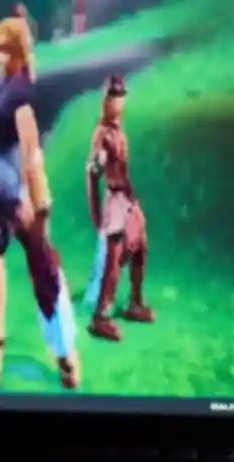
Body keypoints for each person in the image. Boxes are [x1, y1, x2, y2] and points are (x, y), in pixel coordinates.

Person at [0, 9, 80, 389]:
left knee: (42, 267)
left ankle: (64, 358)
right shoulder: (16, 90)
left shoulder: (20, 95)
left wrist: (39, 201)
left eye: (2, 49)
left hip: (14, 195)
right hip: (3, 192)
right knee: (5, 256)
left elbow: (30, 152)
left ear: (15, 51)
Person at [84, 75, 154, 341]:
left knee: (141, 247)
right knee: (113, 260)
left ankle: (135, 302)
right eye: (112, 97)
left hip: (127, 197)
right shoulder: (102, 134)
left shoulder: (118, 130)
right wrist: (96, 212)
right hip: (114, 200)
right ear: (105, 101)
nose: (116, 102)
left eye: (120, 96)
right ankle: (100, 317)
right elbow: (93, 170)